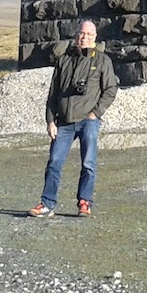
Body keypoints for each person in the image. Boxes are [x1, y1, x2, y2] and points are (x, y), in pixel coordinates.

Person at [28, 18, 119, 218]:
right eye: (81, 34)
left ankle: (84, 202)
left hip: (89, 121)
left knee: (88, 163)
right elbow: (53, 94)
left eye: (89, 35)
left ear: (95, 37)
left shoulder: (102, 60)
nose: (84, 37)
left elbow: (111, 89)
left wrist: (95, 113)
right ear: (76, 35)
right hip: (64, 122)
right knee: (54, 162)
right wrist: (50, 120)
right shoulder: (64, 60)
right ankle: (47, 204)